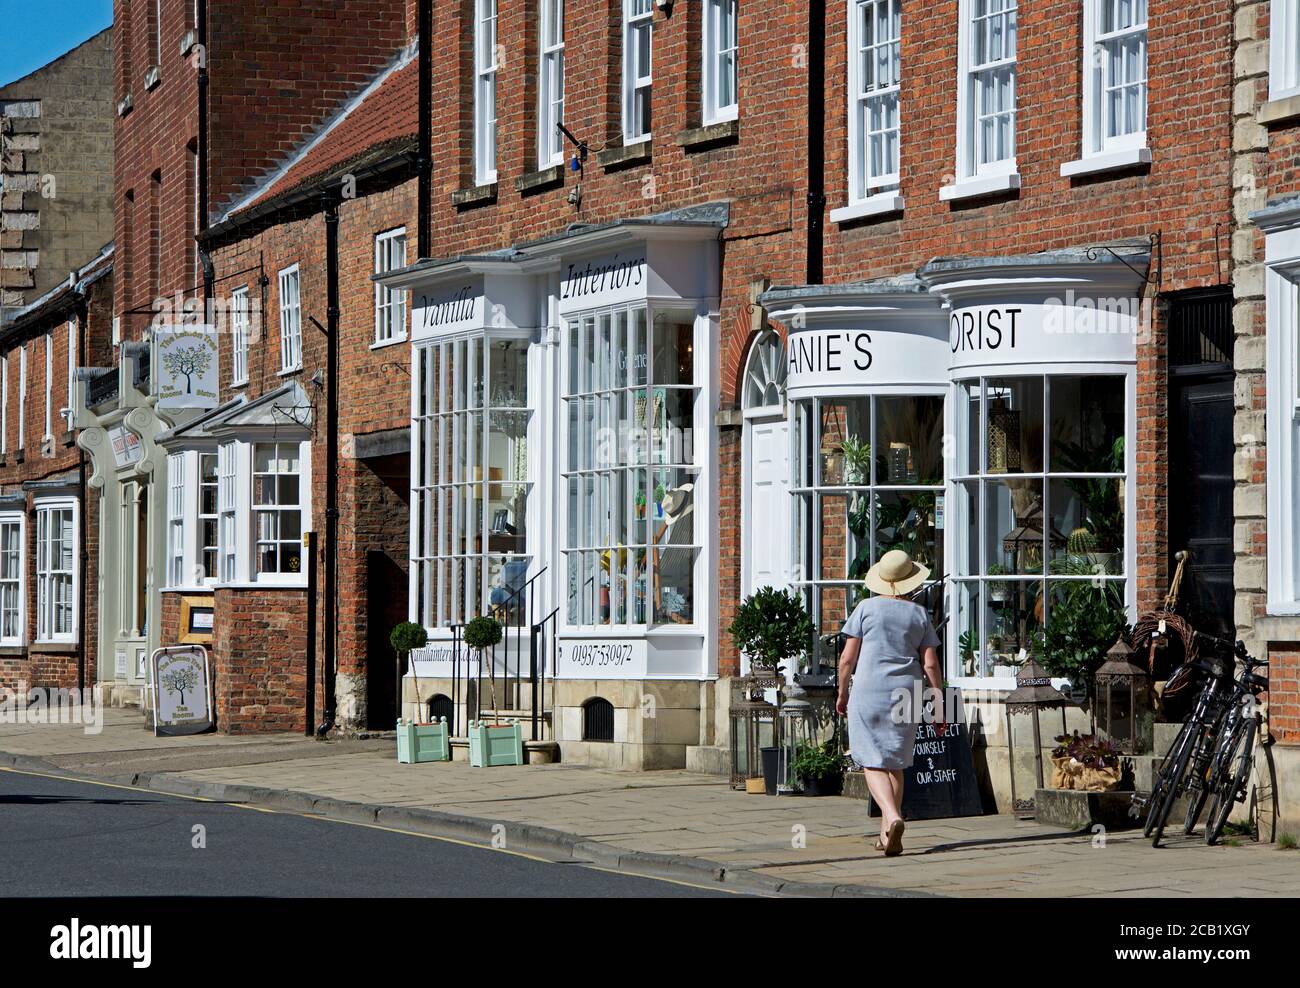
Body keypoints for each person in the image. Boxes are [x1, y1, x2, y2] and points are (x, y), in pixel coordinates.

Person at [835, 549, 945, 856]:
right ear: (909, 580)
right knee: (895, 762)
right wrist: (939, 704)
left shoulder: (866, 608)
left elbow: (847, 659)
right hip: (907, 692)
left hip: (870, 691)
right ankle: (887, 834)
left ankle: (893, 817)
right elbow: (931, 665)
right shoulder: (919, 613)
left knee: (871, 760)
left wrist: (842, 693)